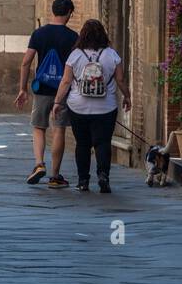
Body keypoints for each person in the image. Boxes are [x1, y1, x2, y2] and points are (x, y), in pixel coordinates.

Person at [51, 18, 131, 194]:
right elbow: (120, 80)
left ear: (83, 35)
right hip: (106, 108)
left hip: (78, 107)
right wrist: (127, 96)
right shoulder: (112, 55)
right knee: (103, 143)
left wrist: (57, 102)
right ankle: (103, 176)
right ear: (103, 34)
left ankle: (83, 181)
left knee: (82, 144)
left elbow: (65, 82)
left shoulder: (75, 55)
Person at [16, 0, 77, 189]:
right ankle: (55, 176)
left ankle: (39, 164)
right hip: (63, 91)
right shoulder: (74, 37)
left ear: (53, 11)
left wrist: (22, 88)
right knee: (59, 129)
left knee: (38, 127)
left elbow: (26, 61)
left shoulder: (39, 34)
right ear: (68, 13)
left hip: (41, 89)